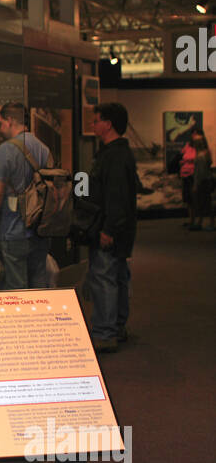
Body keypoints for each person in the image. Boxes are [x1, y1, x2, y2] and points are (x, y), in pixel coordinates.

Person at [85, 102, 138, 353]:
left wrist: (108, 229)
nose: (93, 125)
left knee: (104, 277)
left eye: (96, 121)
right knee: (117, 276)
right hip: (119, 228)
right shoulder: (117, 153)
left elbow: (116, 197)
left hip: (110, 228)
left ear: (108, 124)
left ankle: (105, 333)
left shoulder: (114, 156)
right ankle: (116, 326)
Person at [0, 102, 51, 289]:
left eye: (1, 124)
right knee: (38, 281)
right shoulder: (43, 148)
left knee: (16, 287)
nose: (0, 129)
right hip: (40, 229)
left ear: (10, 120)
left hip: (13, 230)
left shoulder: (6, 150)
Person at [187, 130, 212, 231]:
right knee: (206, 202)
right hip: (207, 180)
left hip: (202, 181)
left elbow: (199, 173)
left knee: (202, 202)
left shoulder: (200, 156)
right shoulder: (206, 154)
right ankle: (203, 222)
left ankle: (203, 222)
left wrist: (195, 185)